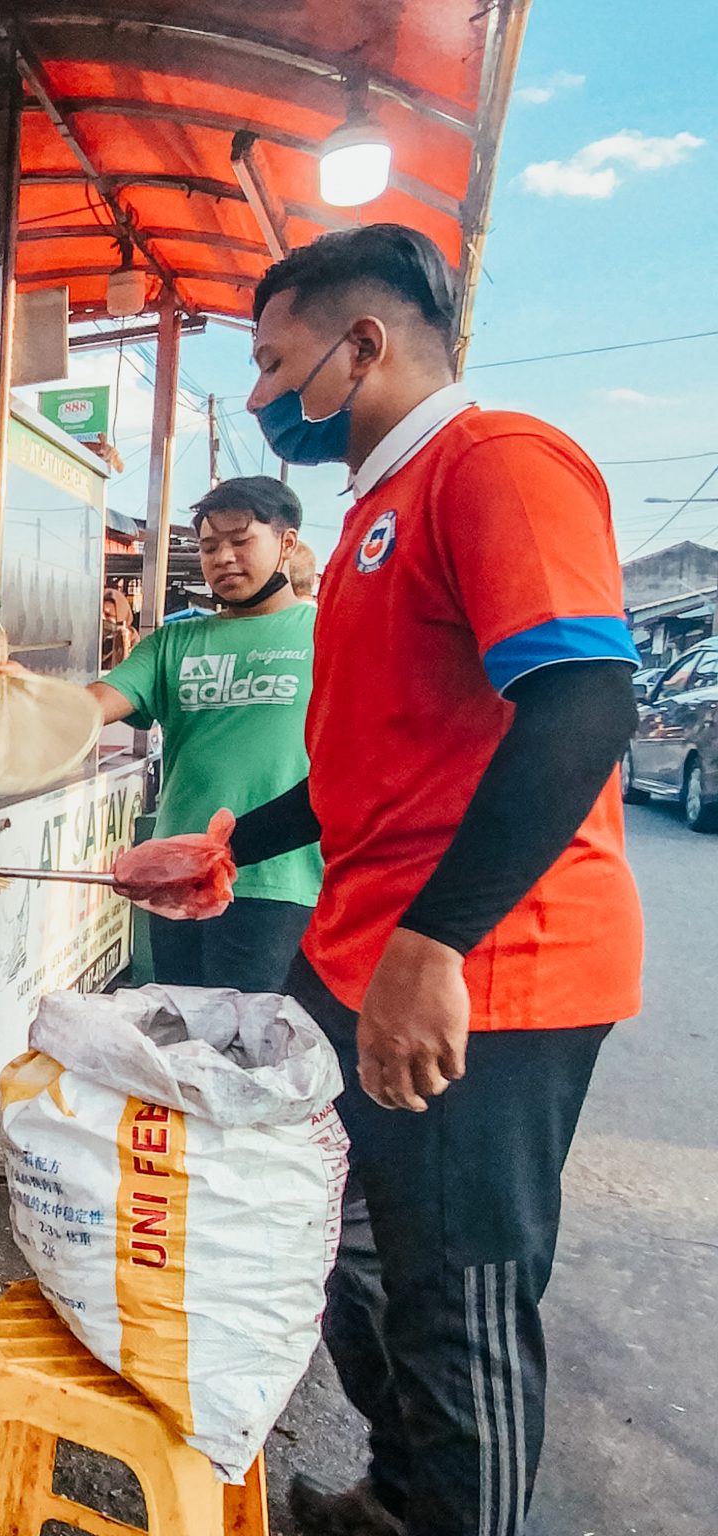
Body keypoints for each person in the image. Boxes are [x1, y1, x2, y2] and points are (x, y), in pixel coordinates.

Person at [148, 224, 640, 1536]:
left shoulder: (499, 464)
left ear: (360, 346)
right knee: (347, 1247)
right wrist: (226, 848)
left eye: (272, 362)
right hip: (359, 947)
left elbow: (586, 705)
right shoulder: (374, 516)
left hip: (489, 975)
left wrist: (436, 944)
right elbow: (371, 770)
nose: (257, 396)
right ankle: (399, 1497)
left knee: (457, 1301)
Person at [91, 477, 319, 992]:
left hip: (280, 882)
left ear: (286, 543)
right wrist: (24, 699)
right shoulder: (175, 641)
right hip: (179, 878)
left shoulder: (327, 635)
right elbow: (100, 702)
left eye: (241, 542)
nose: (223, 559)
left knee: (253, 1053)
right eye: (210, 546)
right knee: (182, 1042)